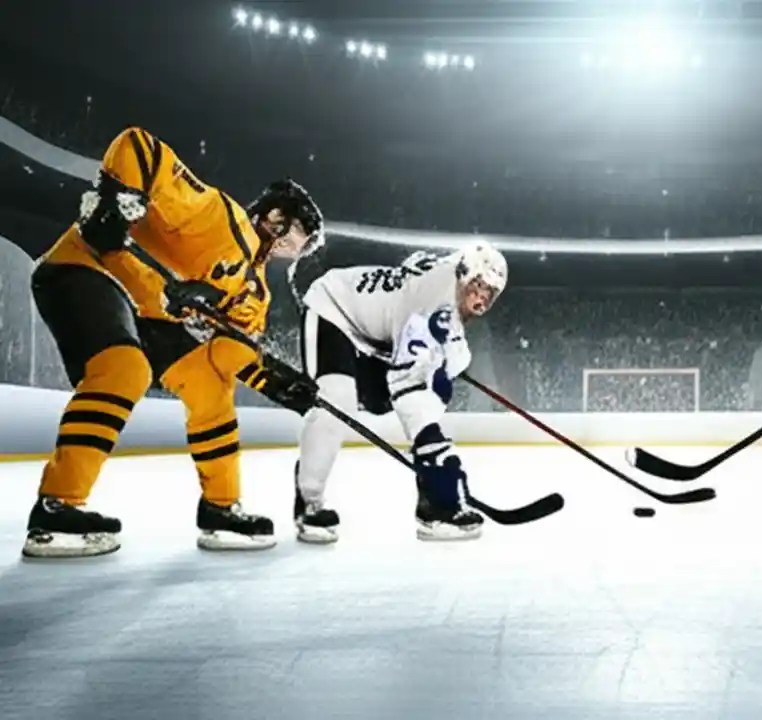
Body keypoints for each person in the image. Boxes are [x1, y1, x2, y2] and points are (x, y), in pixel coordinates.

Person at [23, 127, 322, 558]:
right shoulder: (219, 218)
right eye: (295, 240)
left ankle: (221, 507)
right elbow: (138, 146)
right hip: (90, 266)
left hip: (150, 314)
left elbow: (228, 352)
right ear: (274, 219)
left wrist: (275, 381)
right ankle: (57, 506)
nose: (293, 252)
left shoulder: (255, 292)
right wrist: (115, 203)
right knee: (125, 371)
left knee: (211, 386)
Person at [285, 240, 507, 543]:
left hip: (371, 334)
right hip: (333, 307)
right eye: (479, 286)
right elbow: (410, 386)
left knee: (382, 400)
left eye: (490, 293)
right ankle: (310, 499)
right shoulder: (435, 300)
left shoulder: (446, 286)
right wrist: (433, 448)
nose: (482, 298)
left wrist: (443, 364)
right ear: (465, 273)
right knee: (336, 401)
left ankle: (431, 499)